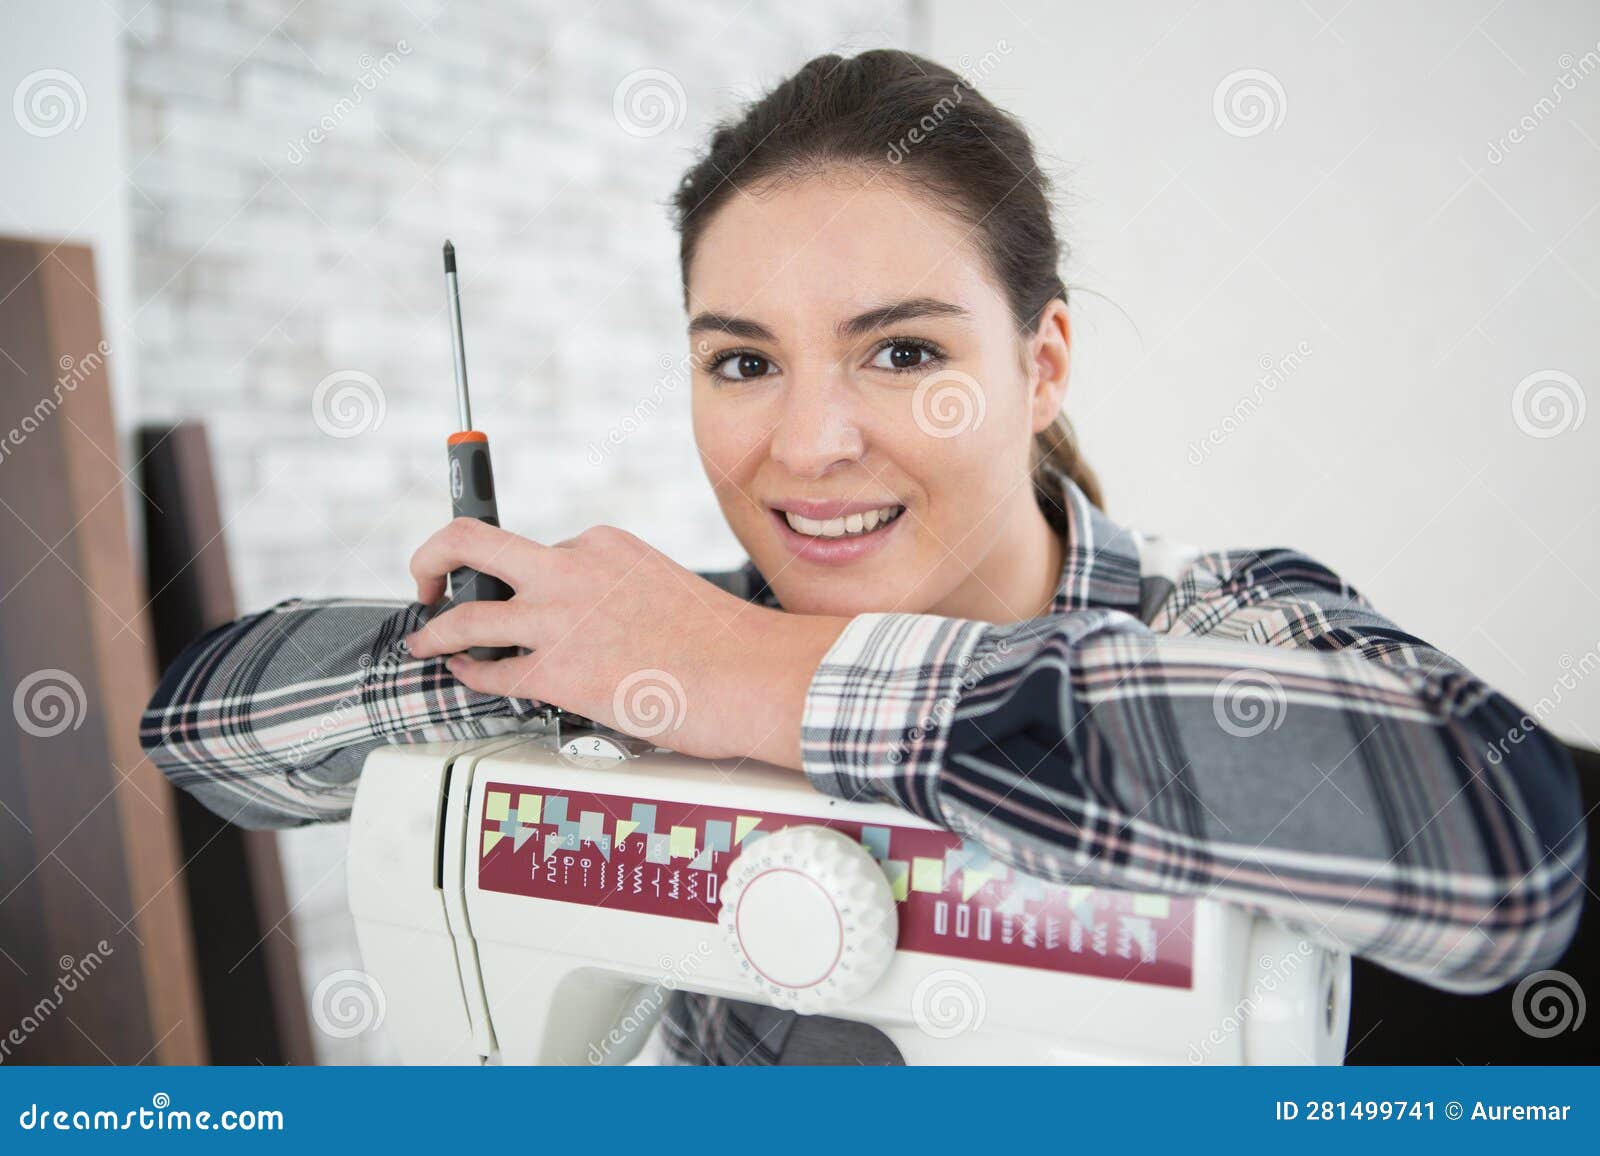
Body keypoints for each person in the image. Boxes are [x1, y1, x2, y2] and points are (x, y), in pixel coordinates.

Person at [140, 50, 1588, 1066]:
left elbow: (1507, 852)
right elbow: (202, 734)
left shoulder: (1230, 624)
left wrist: (749, 669)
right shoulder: (650, 665)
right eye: (743, 361)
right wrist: (569, 660)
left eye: (902, 351)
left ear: (1043, 363)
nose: (811, 443)